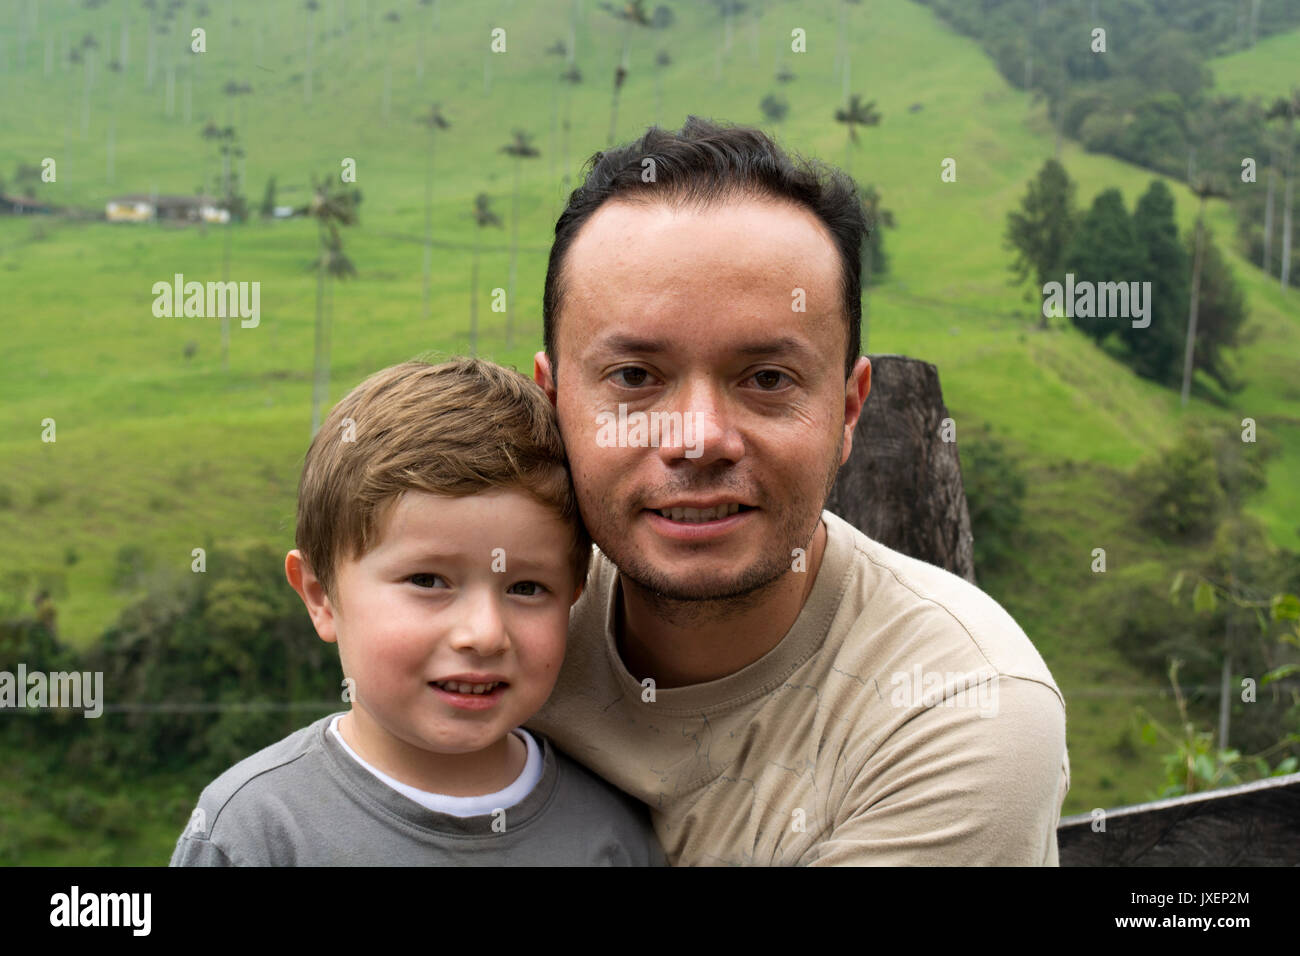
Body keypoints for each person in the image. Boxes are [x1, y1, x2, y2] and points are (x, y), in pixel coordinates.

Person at [527, 116, 1070, 865]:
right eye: (634, 377)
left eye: (767, 379)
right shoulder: (483, 613)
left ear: (848, 410)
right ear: (554, 400)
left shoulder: (957, 707)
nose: (699, 438)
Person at [170, 358, 666, 866]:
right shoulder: (254, 833)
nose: (484, 634)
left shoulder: (612, 833)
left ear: (575, 595)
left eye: (526, 588)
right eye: (428, 581)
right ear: (321, 596)